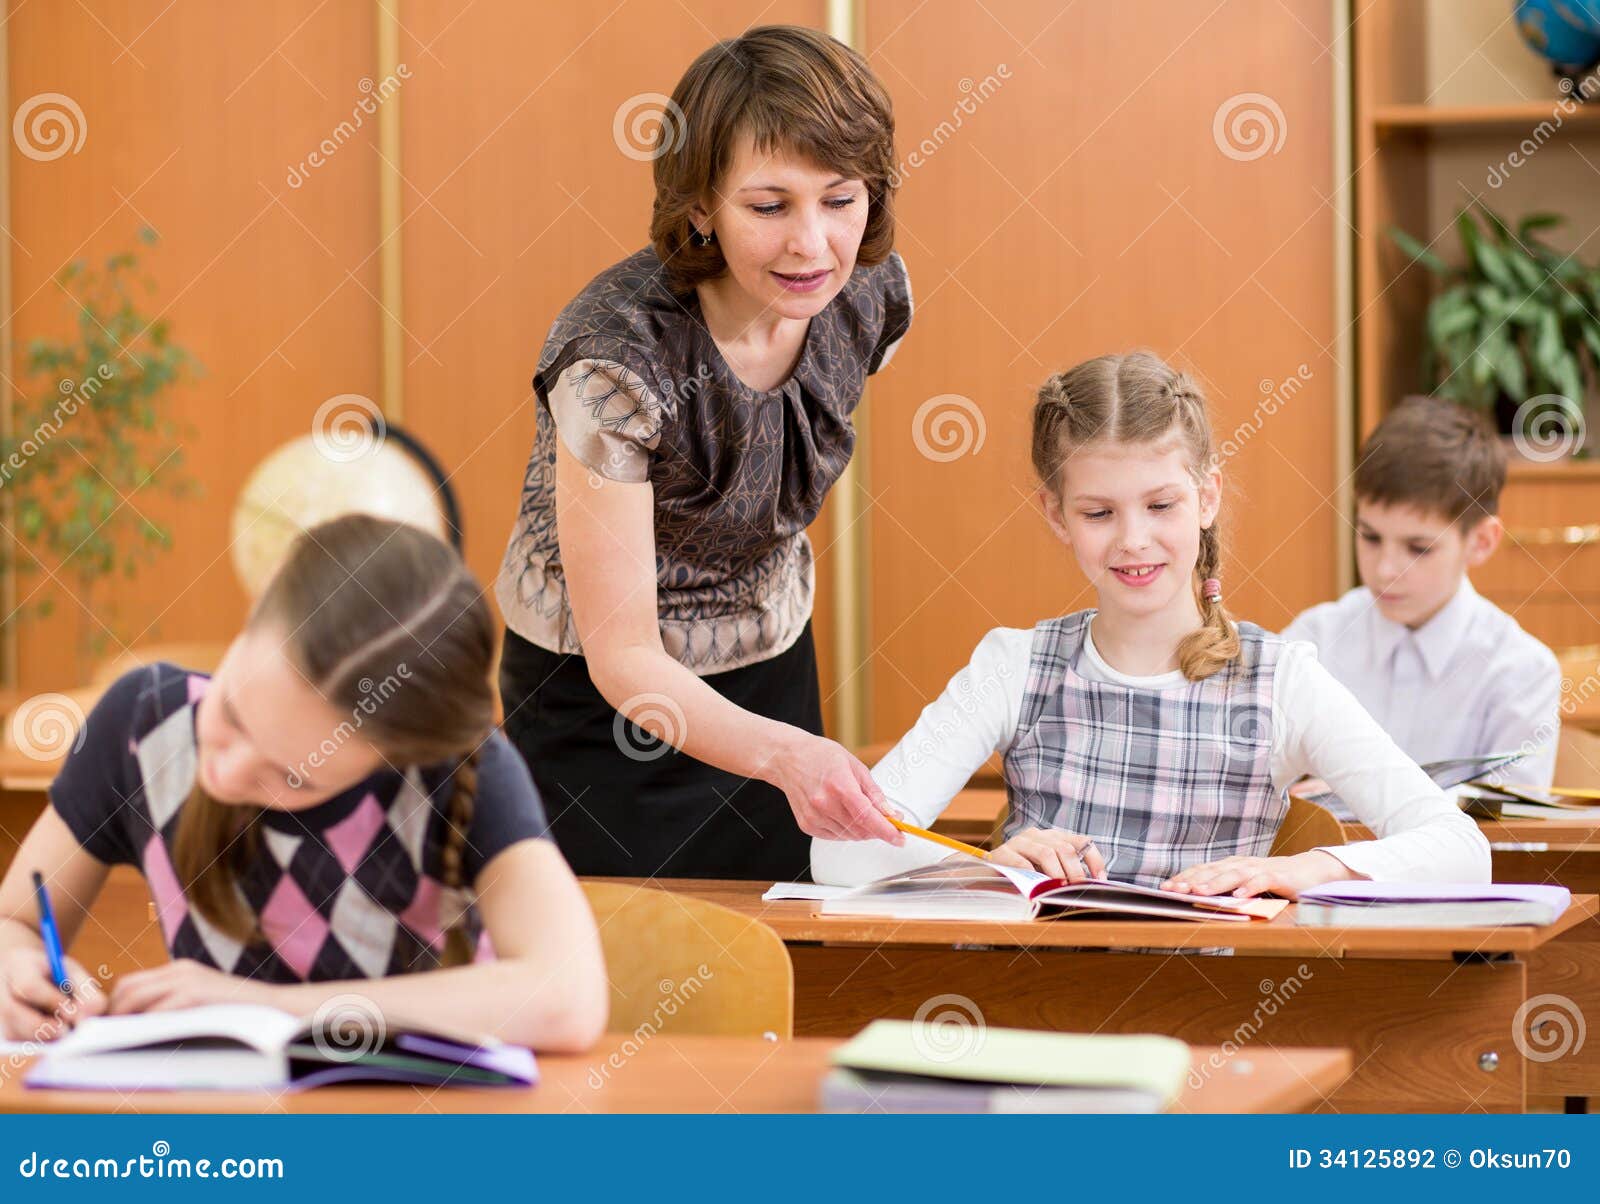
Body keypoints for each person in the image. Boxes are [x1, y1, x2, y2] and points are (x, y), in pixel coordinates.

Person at [811, 352, 1490, 895]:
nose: (1133, 540)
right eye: (1099, 514)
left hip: (1211, 1029)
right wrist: (994, 868)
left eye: (1161, 505)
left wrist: (1302, 871)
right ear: (1056, 515)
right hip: (1030, 1016)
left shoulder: (1282, 680)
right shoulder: (1013, 666)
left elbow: (1461, 851)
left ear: (1206, 497)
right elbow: (840, 852)